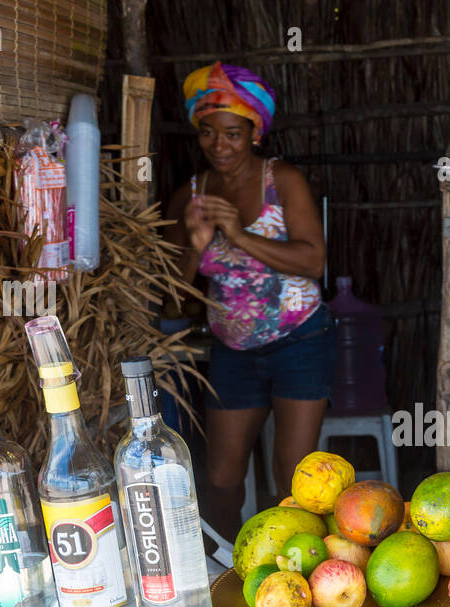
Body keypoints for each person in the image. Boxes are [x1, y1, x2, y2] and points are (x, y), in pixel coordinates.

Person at [166, 62, 332, 539]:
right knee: (220, 480)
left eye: (233, 134)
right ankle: (229, 573)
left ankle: (301, 574)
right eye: (208, 133)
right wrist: (196, 247)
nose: (220, 145)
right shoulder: (191, 196)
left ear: (255, 132)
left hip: (300, 340)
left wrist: (236, 233)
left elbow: (313, 261)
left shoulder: (283, 182)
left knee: (296, 480)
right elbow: (173, 301)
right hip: (232, 351)